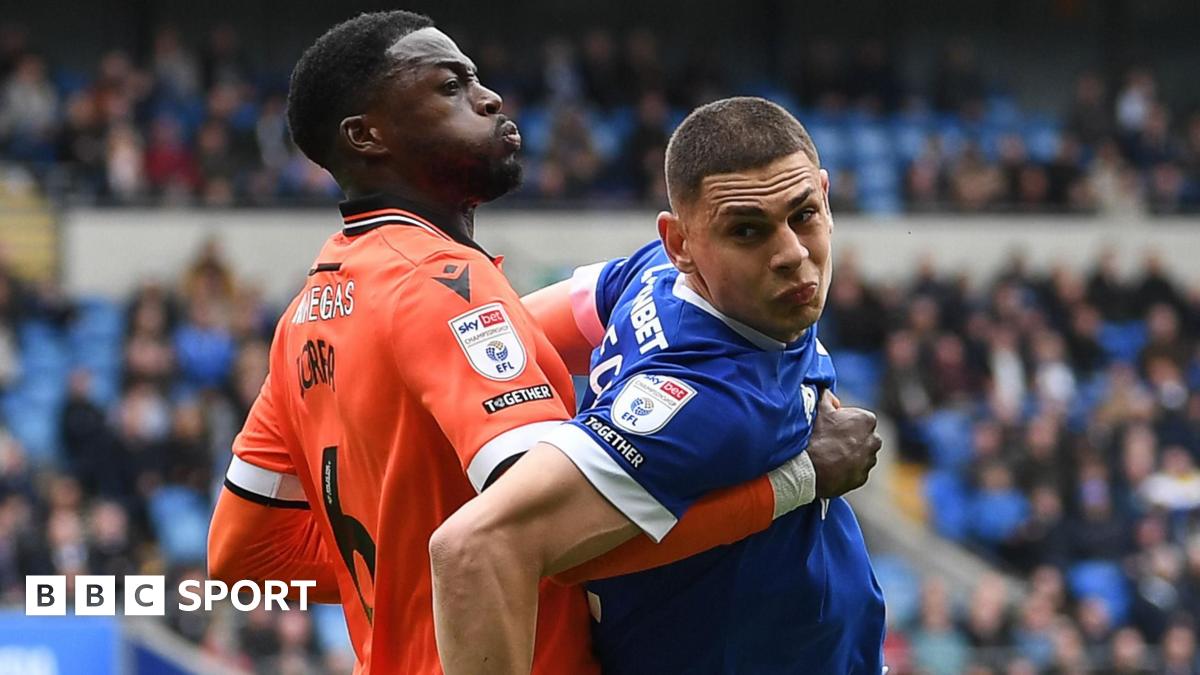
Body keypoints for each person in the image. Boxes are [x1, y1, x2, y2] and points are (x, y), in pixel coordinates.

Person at [205, 13, 882, 675]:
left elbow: (244, 559)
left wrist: (408, 578)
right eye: (449, 86)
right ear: (367, 136)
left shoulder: (308, 317)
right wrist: (796, 480)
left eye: (476, 78)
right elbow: (546, 547)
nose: (489, 96)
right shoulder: (446, 289)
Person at [431, 97, 886, 674]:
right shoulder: (711, 404)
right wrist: (798, 479)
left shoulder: (661, 276)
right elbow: (473, 548)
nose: (793, 255)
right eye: (748, 231)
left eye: (805, 215)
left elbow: (513, 336)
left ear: (823, 193)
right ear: (682, 243)